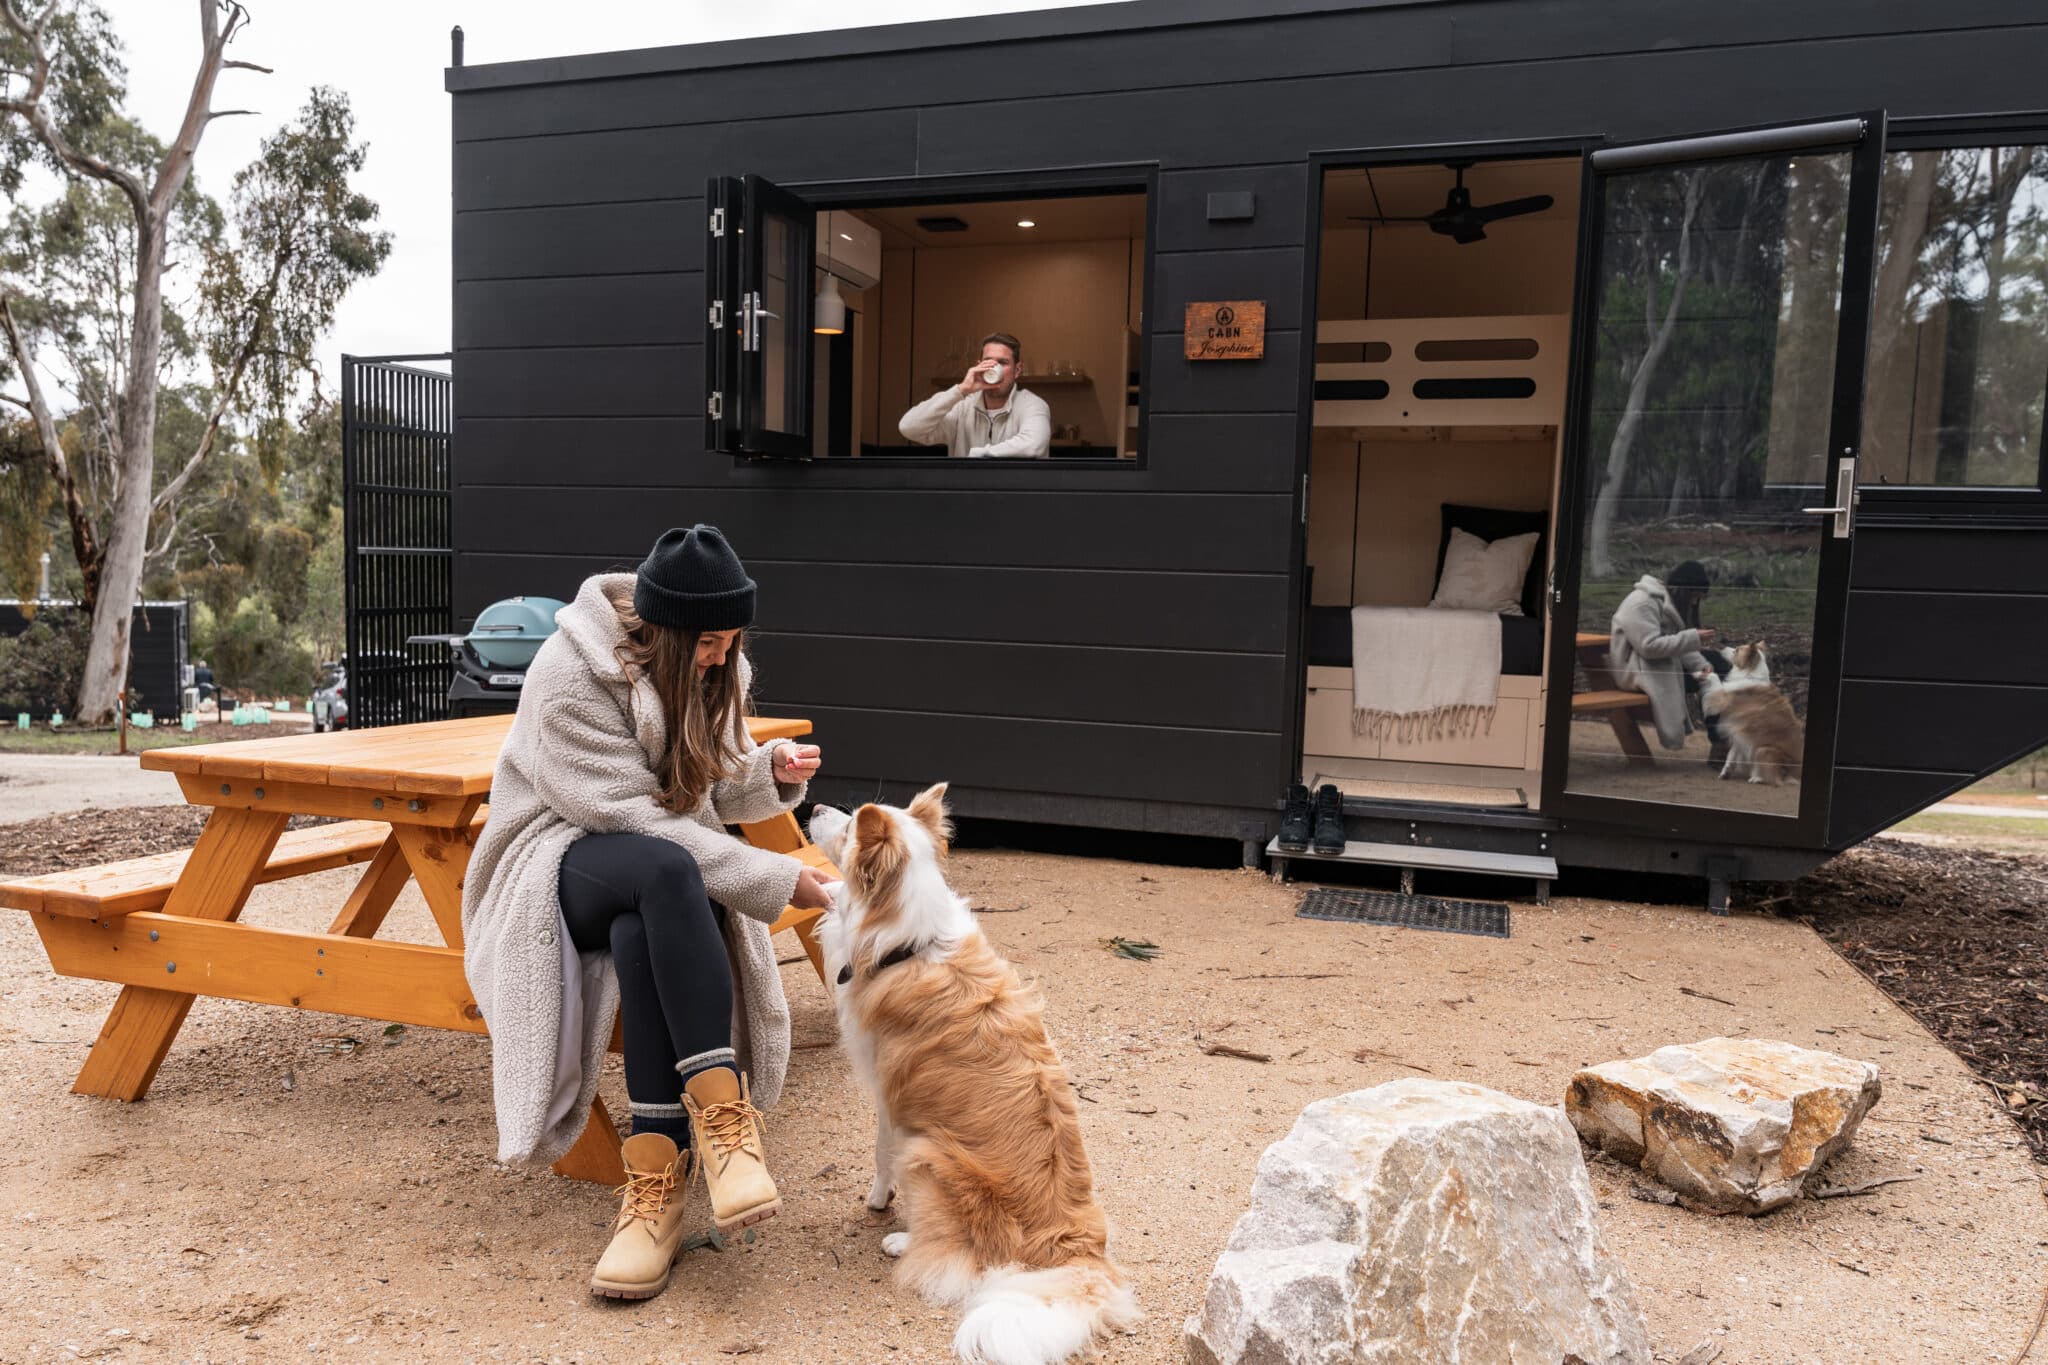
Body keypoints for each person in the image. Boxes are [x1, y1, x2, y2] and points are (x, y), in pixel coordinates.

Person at [461, 525, 834, 1302]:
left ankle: (658, 1175)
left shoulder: (711, 662)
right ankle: (725, 1120)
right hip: (553, 858)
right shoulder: (568, 674)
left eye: (733, 641)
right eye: (709, 641)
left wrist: (767, 770)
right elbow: (643, 821)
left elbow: (706, 784)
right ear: (664, 629)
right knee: (671, 869)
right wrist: (773, 875)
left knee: (649, 916)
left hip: (644, 877)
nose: (722, 657)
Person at [1608, 560, 1714, 752]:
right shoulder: (1642, 603)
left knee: (1719, 669)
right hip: (1635, 672)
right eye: (1694, 597)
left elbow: (1675, 641)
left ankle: (1720, 743)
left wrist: (1701, 664)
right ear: (1682, 589)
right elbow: (1649, 646)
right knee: (1713, 674)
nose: (1694, 603)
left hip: (1656, 663)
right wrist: (1692, 637)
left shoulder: (1667, 603)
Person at [898, 331, 1051, 458]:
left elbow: (1034, 444)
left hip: (1013, 494)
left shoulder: (1031, 404)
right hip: (967, 494)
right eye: (988, 361)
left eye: (1002, 363)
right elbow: (909, 427)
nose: (993, 367)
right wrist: (961, 390)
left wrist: (978, 454)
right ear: (979, 366)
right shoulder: (962, 407)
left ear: (1017, 370)